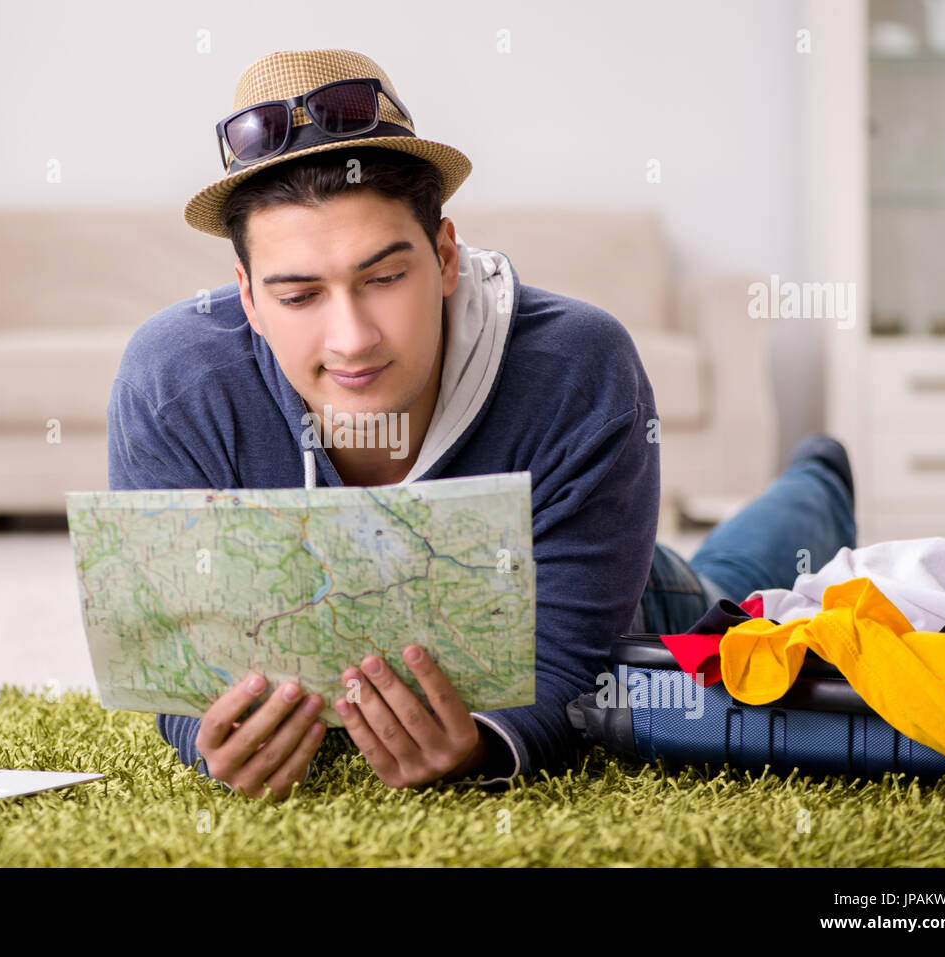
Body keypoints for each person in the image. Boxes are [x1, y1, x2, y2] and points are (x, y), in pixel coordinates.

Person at [107, 48, 857, 802]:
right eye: (300, 296)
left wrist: (489, 745)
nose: (352, 338)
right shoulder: (172, 382)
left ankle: (819, 478)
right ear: (246, 297)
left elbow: (573, 666)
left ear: (444, 255)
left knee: (734, 592)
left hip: (596, 580)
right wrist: (208, 739)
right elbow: (172, 657)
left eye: (386, 277)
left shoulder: (580, 366)